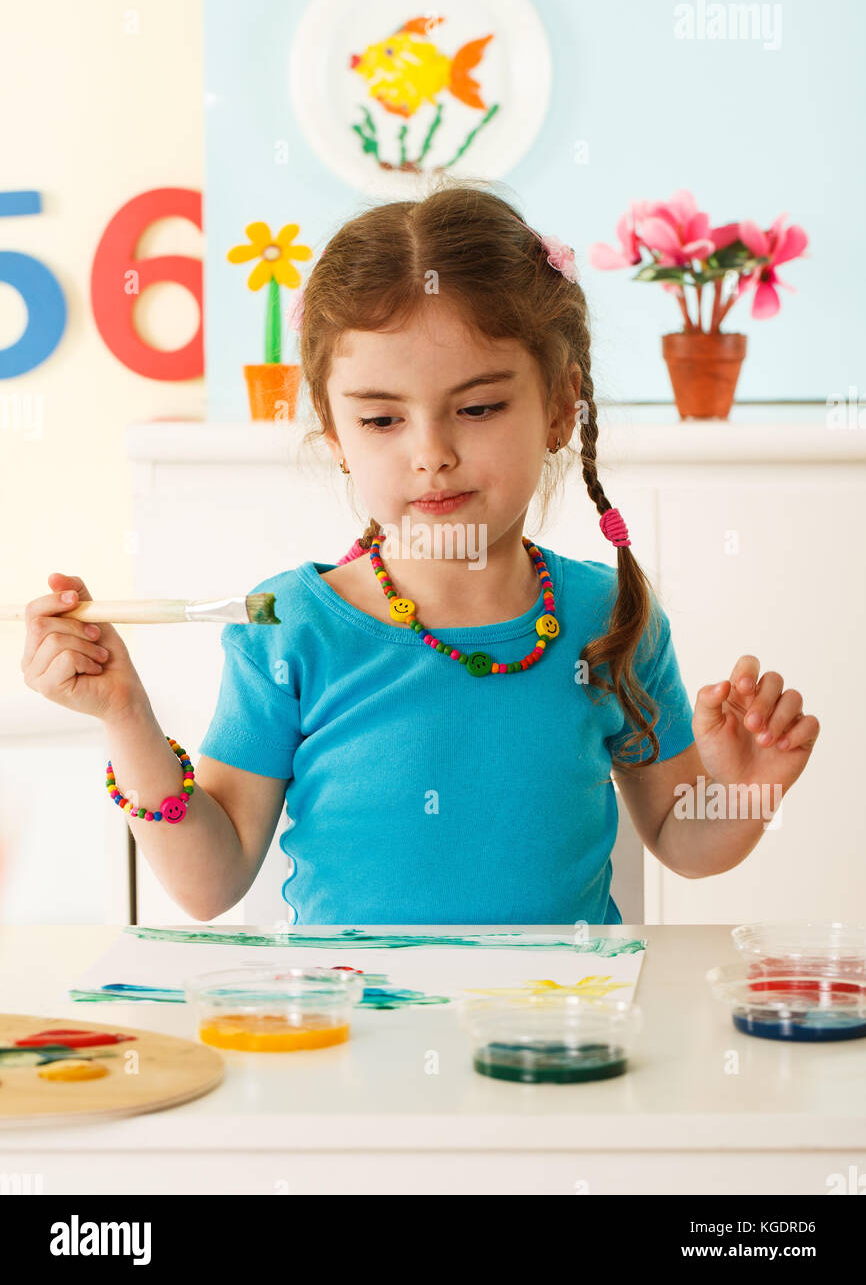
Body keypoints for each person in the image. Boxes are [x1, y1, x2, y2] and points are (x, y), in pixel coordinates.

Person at [21, 177, 819, 924]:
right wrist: (124, 715)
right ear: (335, 436)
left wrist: (745, 793)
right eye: (380, 420)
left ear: (559, 407)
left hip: (553, 1044)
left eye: (476, 407)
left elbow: (685, 841)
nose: (430, 452)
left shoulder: (610, 622)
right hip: (355, 1048)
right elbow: (208, 882)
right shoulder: (289, 628)